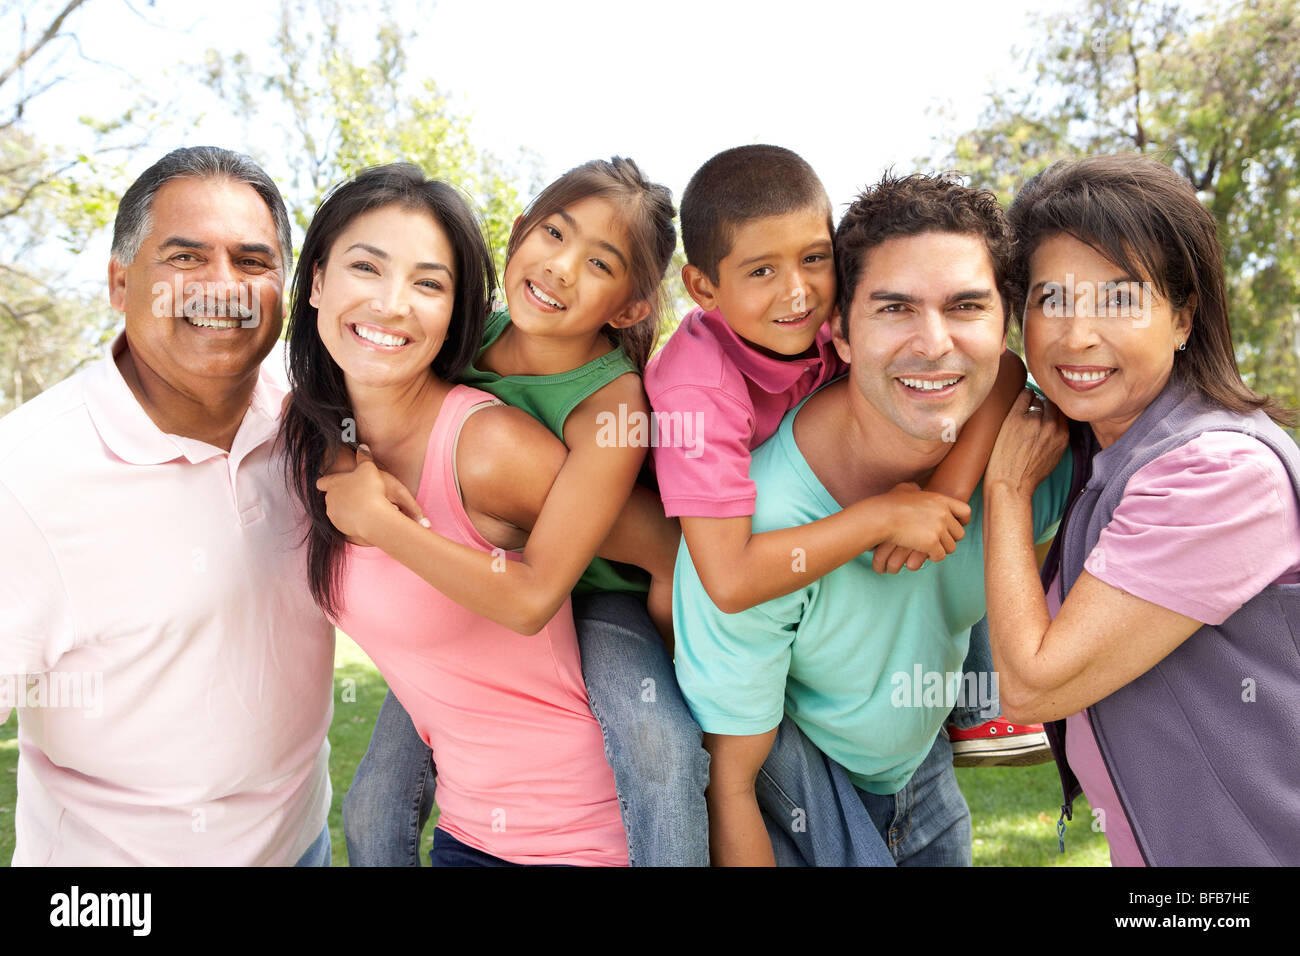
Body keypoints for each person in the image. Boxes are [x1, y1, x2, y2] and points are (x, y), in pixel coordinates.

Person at [672, 172, 1075, 866]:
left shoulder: (1031, 449)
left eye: (967, 306)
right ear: (840, 335)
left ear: (1003, 325)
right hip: (801, 806)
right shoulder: (765, 520)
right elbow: (730, 785)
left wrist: (989, 486)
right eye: (895, 309)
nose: (934, 342)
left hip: (926, 781)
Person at [321, 158, 706, 866]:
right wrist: (350, 462)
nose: (561, 267)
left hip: (594, 597)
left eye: (599, 263)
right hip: (479, 607)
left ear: (629, 307)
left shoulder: (609, 404)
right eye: (554, 233)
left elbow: (572, 585)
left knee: (659, 746)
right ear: (520, 230)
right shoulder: (466, 340)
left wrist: (669, 643)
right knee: (373, 802)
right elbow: (379, 410)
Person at [0, 146, 335, 866]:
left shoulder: (312, 422)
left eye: (253, 262)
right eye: (185, 257)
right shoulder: (23, 477)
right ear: (120, 283)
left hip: (301, 844)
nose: (224, 287)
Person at [983, 153, 1300, 866]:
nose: (1076, 336)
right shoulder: (1104, 459)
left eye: (1119, 300)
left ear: (1184, 317)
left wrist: (1006, 493)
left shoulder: (1216, 475)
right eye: (1050, 299)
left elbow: (1034, 684)